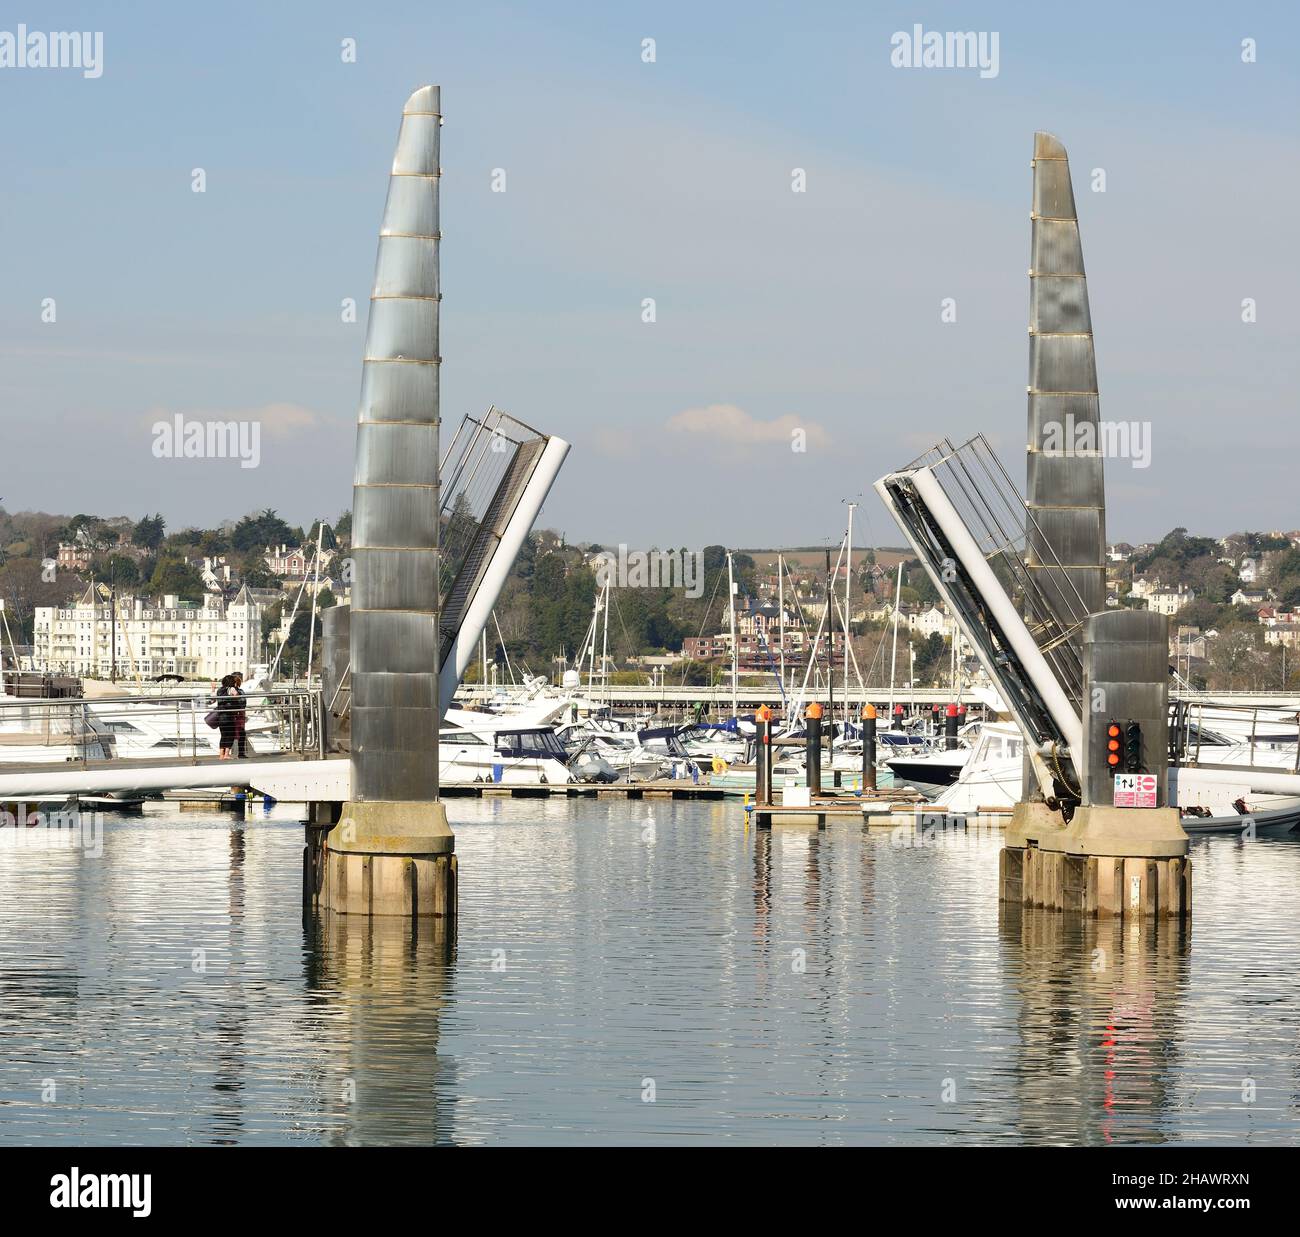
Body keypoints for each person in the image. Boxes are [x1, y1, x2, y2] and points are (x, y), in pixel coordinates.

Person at [214, 674, 239, 759]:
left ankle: (221, 755)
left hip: (220, 715)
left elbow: (214, 698)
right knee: (230, 734)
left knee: (223, 735)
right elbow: (236, 695)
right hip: (228, 714)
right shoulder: (231, 689)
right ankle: (226, 754)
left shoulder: (219, 690)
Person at [231, 671, 250, 759]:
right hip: (240, 714)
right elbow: (243, 703)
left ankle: (226, 753)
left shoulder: (229, 690)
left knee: (230, 734)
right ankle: (241, 753)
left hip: (233, 715)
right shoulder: (241, 691)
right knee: (241, 734)